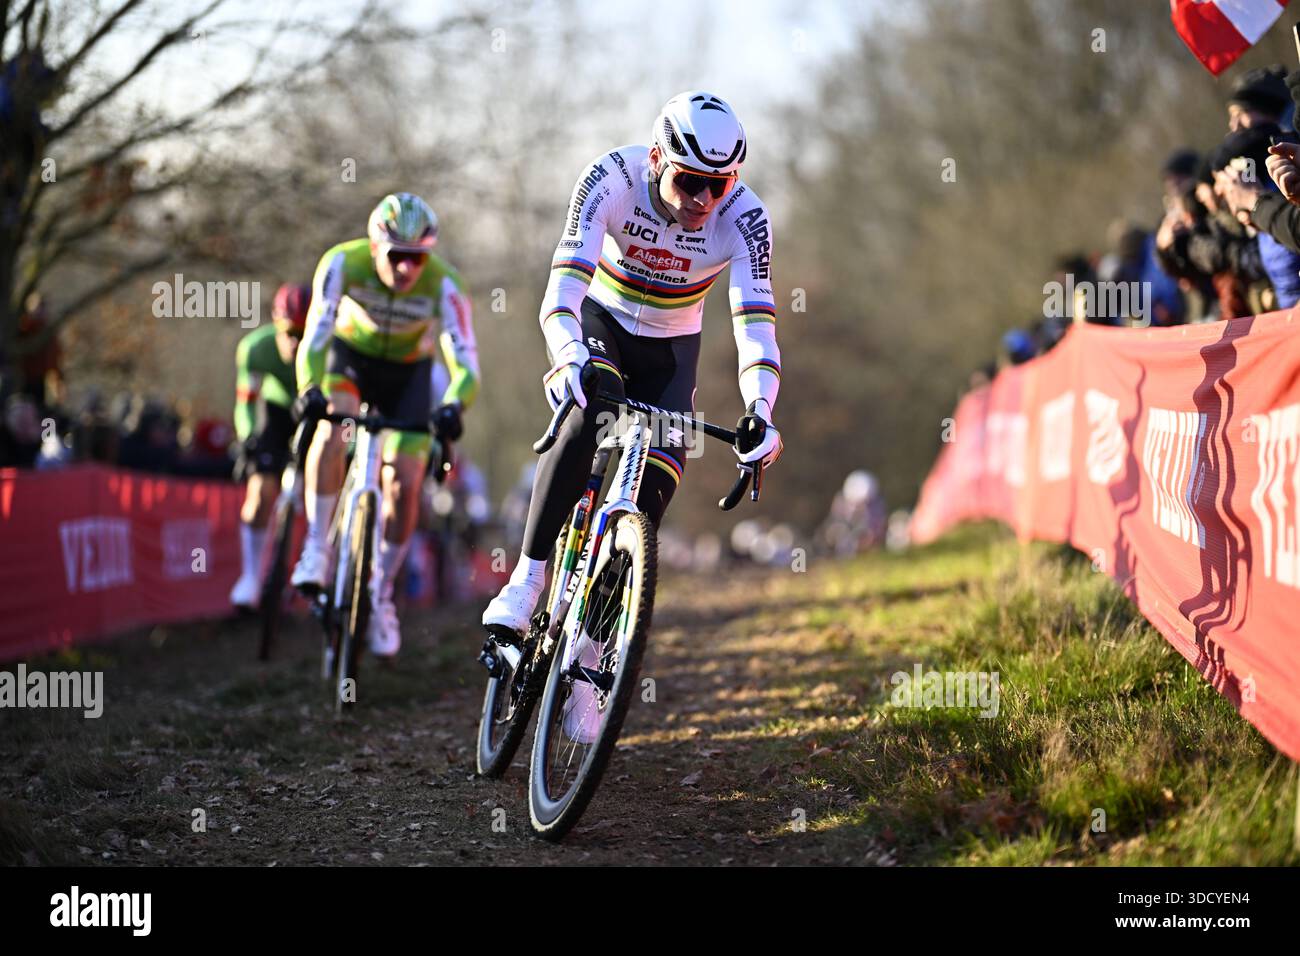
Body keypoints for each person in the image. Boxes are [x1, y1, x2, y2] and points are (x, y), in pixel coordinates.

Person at [480, 91, 784, 741]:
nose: (705, 200)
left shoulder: (747, 217)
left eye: (720, 184)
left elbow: (756, 325)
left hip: (674, 352)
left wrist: (762, 411)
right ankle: (528, 580)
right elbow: (561, 292)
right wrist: (568, 359)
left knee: (650, 499)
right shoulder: (611, 178)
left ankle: (591, 661)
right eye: (690, 182)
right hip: (602, 323)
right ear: (656, 159)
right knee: (590, 410)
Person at [290, 193, 480, 657]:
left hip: (408, 375)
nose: (406, 270)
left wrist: (454, 405)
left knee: (405, 483)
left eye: (417, 258)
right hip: (350, 361)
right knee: (331, 429)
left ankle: (379, 593)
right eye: (397, 256)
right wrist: (309, 387)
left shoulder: (445, 285)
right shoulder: (342, 262)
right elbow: (316, 332)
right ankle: (317, 547)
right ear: (375, 246)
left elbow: (467, 366)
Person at [228, 283, 310, 610]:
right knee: (260, 489)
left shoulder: (329, 345)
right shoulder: (255, 349)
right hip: (275, 412)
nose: (296, 342)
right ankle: (250, 577)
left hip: (315, 412)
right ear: (276, 323)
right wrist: (247, 436)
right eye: (289, 332)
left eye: (304, 333)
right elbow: (245, 402)